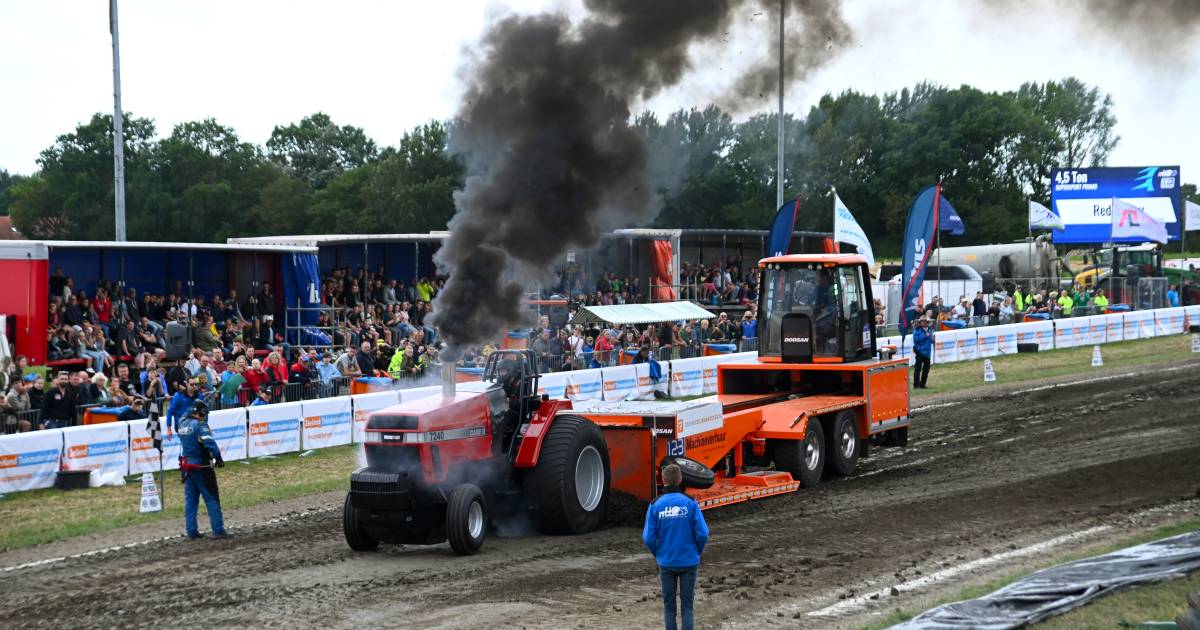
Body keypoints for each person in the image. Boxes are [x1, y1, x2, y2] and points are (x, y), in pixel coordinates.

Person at [643, 463, 709, 630]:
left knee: (669, 608)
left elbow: (648, 537)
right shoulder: (690, 502)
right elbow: (702, 533)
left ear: (663, 480)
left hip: (666, 562)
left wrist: (658, 554)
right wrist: (696, 551)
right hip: (688, 561)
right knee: (687, 608)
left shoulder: (655, 504)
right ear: (680, 480)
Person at [177, 400, 229, 540]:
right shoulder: (200, 425)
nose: (205, 416)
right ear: (200, 413)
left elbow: (184, 414)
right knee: (211, 497)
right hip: (202, 466)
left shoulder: (181, 423)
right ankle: (218, 530)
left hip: (187, 467)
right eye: (204, 414)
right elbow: (209, 442)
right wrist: (218, 457)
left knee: (191, 500)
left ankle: (191, 532)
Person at [912, 317, 933, 389]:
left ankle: (922, 384)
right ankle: (916, 385)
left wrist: (932, 340)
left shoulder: (930, 330)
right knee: (918, 369)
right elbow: (915, 340)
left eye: (924, 321)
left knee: (926, 370)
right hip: (920, 351)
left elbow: (929, 339)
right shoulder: (917, 330)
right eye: (921, 321)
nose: (922, 323)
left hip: (927, 352)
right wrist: (925, 336)